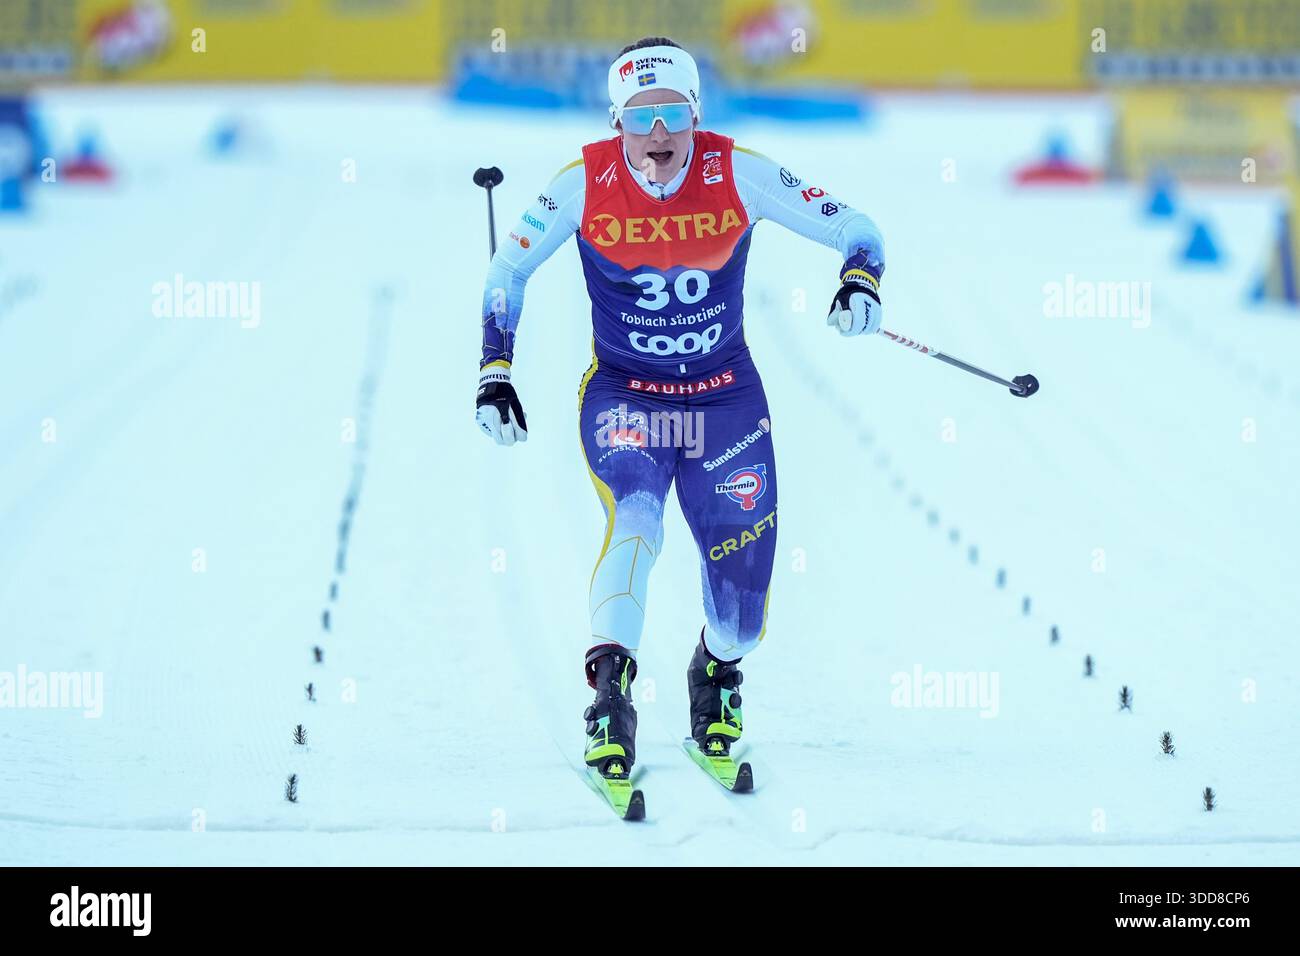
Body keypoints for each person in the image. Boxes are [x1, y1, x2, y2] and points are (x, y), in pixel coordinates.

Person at [476, 37, 885, 781]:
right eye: (640, 118)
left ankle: (717, 672)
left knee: (743, 618)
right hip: (627, 395)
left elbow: (857, 227)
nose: (657, 135)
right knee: (636, 517)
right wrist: (495, 369)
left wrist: (860, 279)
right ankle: (610, 695)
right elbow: (509, 268)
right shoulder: (583, 183)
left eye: (672, 114)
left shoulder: (738, 171)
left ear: (695, 113)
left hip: (725, 401)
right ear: (616, 123)